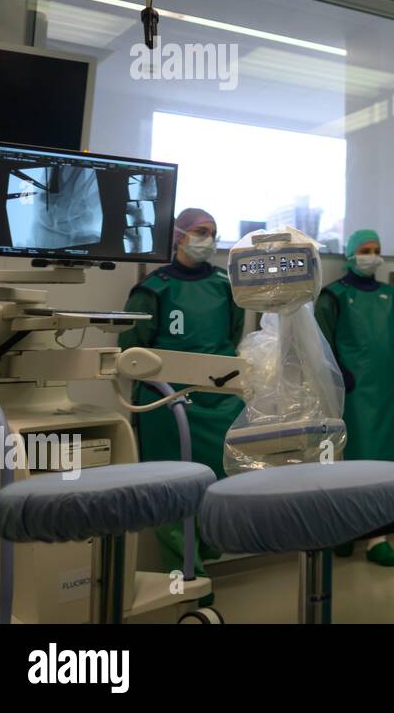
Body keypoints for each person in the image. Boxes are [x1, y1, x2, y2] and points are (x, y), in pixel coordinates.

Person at [120, 207, 244, 584]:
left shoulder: (227, 285)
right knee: (171, 487)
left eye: (213, 231)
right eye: (200, 231)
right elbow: (131, 349)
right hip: (166, 404)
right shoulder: (153, 288)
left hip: (219, 400)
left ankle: (204, 555)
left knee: (218, 484)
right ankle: (185, 574)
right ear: (178, 235)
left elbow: (232, 336)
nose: (208, 238)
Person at [316, 229, 394, 568]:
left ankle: (376, 538)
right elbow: (323, 343)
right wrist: (342, 373)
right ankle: (345, 529)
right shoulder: (334, 296)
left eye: (377, 249)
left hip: (387, 390)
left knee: (386, 461)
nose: (372, 255)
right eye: (365, 249)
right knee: (353, 460)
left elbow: (392, 339)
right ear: (351, 255)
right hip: (352, 391)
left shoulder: (392, 297)